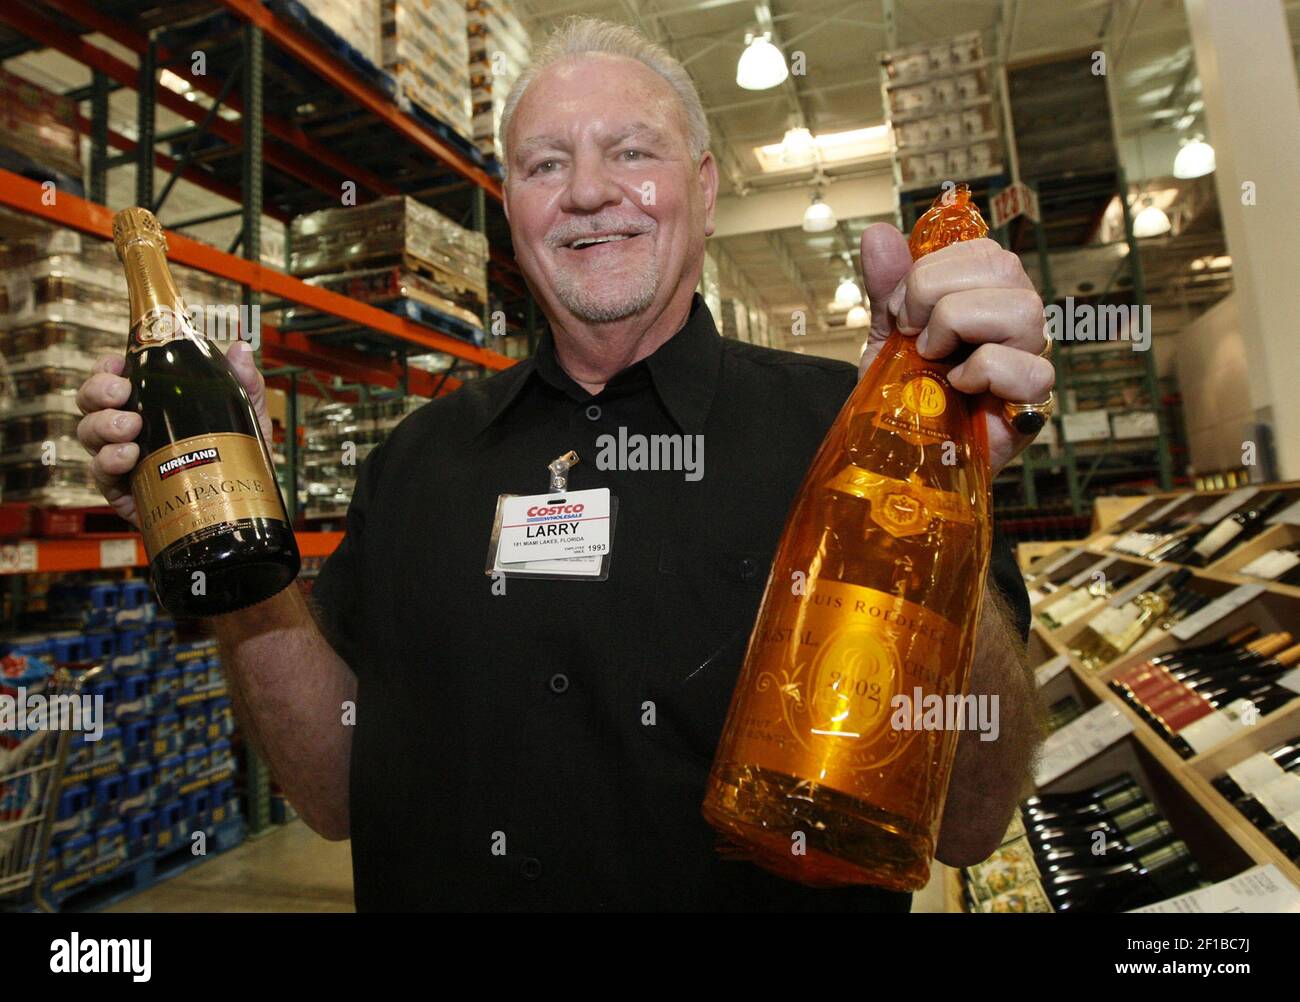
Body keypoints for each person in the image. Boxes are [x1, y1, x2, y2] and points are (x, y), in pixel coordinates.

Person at [76, 18, 1054, 911]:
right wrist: (219, 528)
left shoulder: (852, 433)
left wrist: (925, 494)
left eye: (632, 152)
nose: (587, 191)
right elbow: (330, 794)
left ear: (705, 190)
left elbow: (967, 824)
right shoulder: (412, 464)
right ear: (512, 213)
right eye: (546, 164)